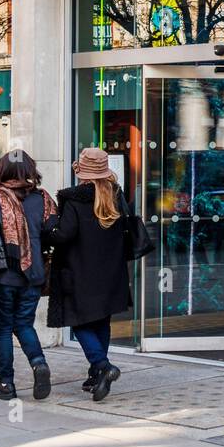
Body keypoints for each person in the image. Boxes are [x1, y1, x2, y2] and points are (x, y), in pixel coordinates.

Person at [46, 147, 133, 401]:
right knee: (100, 320)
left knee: (79, 320)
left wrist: (49, 225)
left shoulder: (74, 199)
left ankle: (103, 366)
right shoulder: (115, 194)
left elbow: (64, 234)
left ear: (82, 173)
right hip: (111, 271)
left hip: (80, 270)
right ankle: (96, 373)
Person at [0, 150, 57, 401]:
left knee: (2, 328)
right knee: (23, 323)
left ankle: (6, 383)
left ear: (2, 171)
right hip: (33, 275)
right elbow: (52, 232)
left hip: (4, 277)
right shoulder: (43, 199)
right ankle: (38, 363)